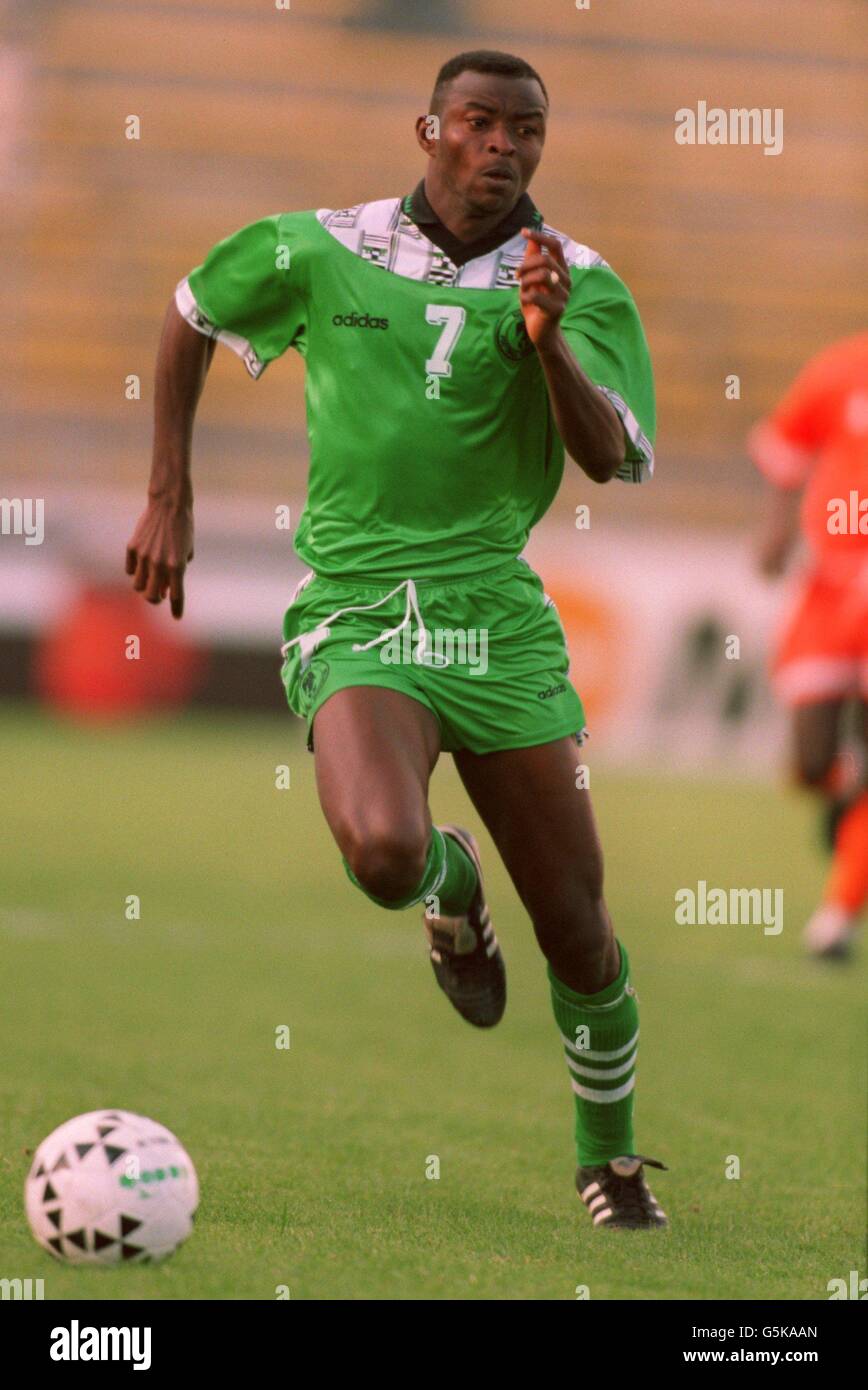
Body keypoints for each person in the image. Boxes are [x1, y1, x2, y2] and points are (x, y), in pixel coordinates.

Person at [126, 50, 666, 1229]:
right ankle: (443, 879)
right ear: (428, 128)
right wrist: (171, 489)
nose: (501, 147)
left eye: (524, 130)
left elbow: (607, 455)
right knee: (379, 848)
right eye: (476, 123)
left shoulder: (580, 280)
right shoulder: (319, 245)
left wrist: (546, 340)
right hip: (361, 607)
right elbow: (188, 312)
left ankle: (611, 1162)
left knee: (578, 930)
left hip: (499, 626)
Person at [750, 333, 868, 958]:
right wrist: (775, 534)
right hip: (829, 584)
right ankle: (850, 807)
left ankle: (835, 920)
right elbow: (787, 449)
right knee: (812, 761)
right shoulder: (841, 367)